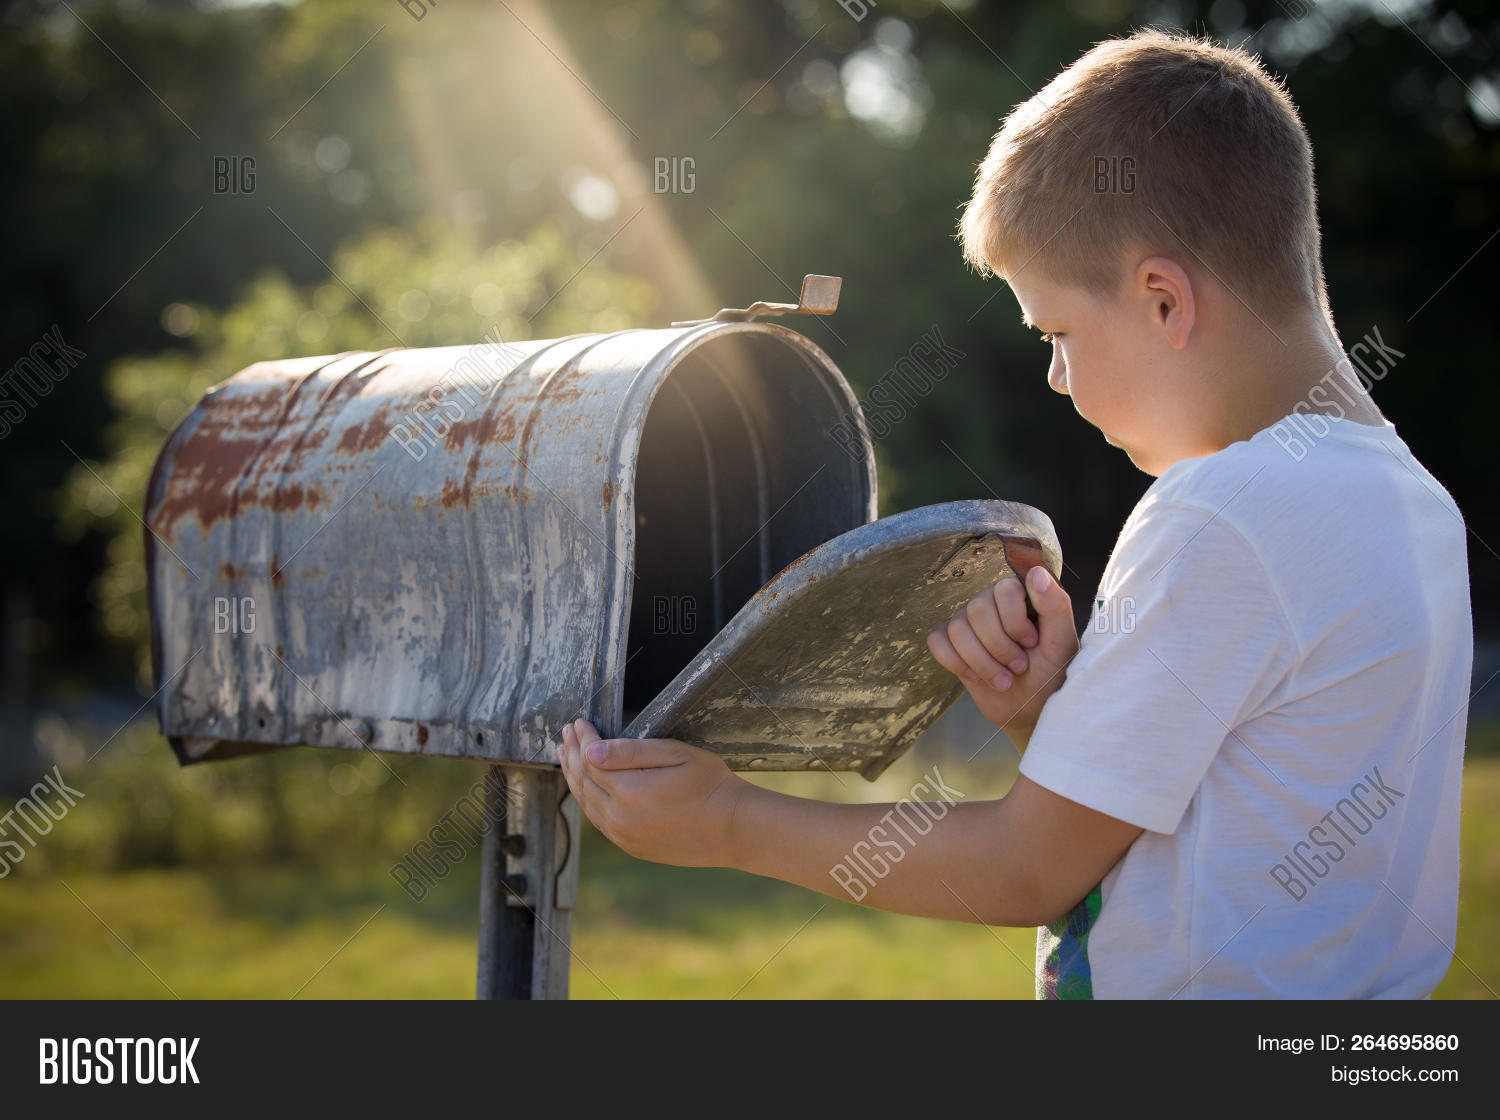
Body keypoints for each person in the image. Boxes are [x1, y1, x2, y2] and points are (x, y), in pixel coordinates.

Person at [556, 29, 1473, 998]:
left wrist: (731, 820)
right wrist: (1049, 718)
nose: (1054, 373)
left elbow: (1031, 865)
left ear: (1164, 300)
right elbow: (1212, 822)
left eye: (1058, 331)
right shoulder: (1414, 507)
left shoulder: (1223, 511)